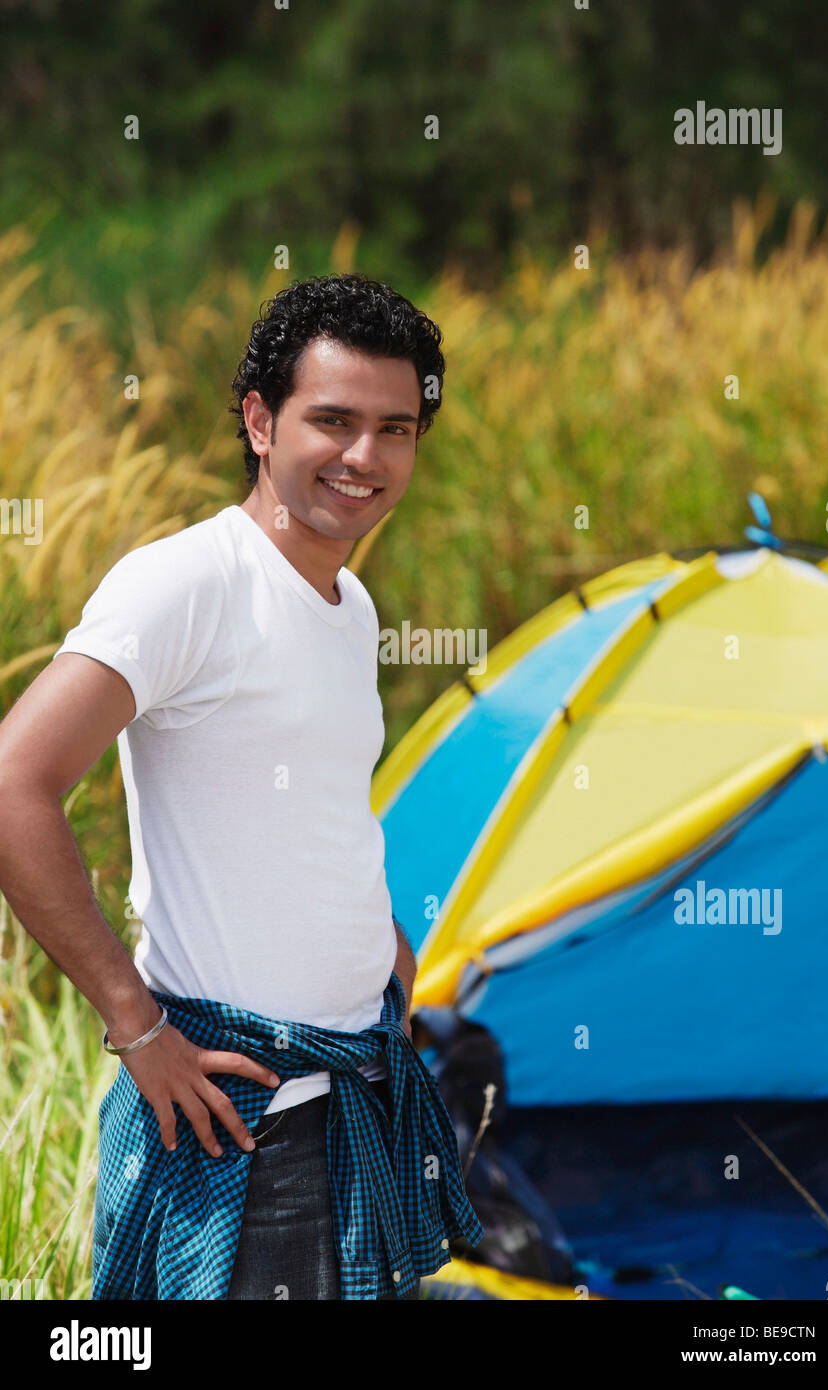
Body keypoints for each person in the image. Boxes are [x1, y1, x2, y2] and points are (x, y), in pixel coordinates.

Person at [0, 272, 483, 1300]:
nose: (364, 456)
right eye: (333, 420)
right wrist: (135, 1027)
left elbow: (312, 806)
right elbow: (13, 783)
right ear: (261, 421)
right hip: (242, 1124)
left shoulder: (348, 603)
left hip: (353, 1092)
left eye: (394, 428)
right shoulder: (188, 583)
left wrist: (383, 957)